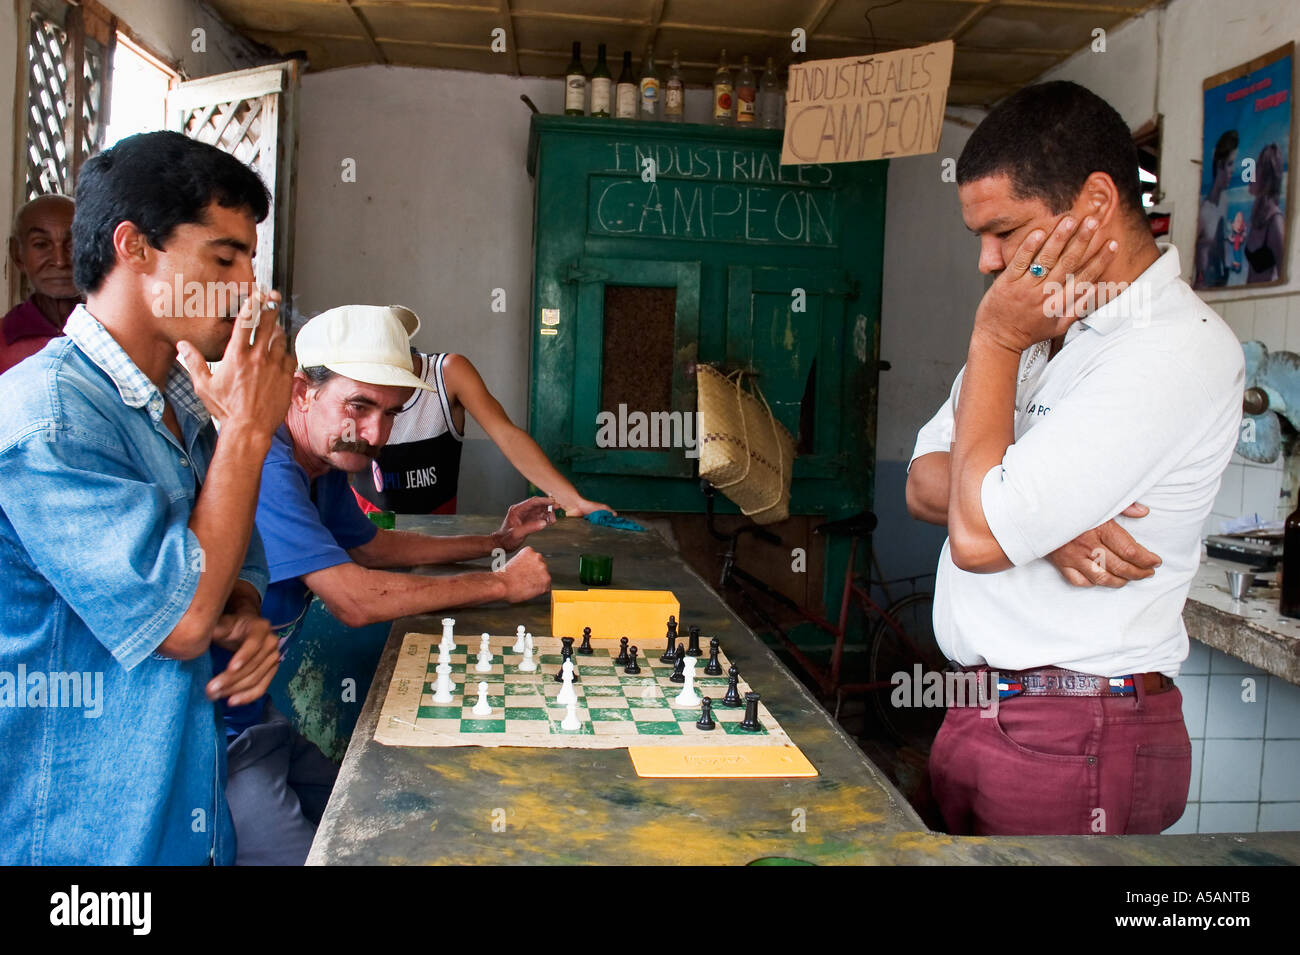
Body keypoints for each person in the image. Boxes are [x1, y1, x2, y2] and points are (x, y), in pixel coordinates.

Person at [906, 81, 1243, 836]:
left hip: (1076, 730)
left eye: (1004, 231)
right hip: (981, 711)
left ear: (1094, 202)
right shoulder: (1042, 327)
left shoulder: (1170, 346)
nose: (988, 264)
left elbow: (978, 538)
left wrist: (993, 342)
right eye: (978, 240)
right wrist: (1044, 524)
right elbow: (923, 479)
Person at [0, 131, 295, 864]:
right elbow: (184, 620)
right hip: (82, 847)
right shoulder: (49, 416)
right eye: (224, 259)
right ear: (132, 247)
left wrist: (246, 616)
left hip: (180, 821)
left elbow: (231, 569)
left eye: (250, 262)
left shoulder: (184, 405)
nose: (247, 289)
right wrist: (251, 431)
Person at [220, 303, 553, 864]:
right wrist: (500, 586)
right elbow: (353, 597)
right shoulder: (266, 464)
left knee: (375, 822)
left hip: (257, 718)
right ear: (302, 390)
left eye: (392, 413)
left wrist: (494, 543)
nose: (374, 434)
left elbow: (372, 547)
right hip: (210, 739)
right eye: (359, 406)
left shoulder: (321, 462)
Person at [350, 344, 612, 517]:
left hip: (433, 539)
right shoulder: (346, 386)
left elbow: (506, 434)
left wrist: (571, 500)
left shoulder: (447, 373)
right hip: (364, 534)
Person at [1, 194, 80, 373]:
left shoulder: (118, 336)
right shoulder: (3, 339)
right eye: (41, 244)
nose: (60, 261)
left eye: (72, 244)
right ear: (17, 254)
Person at [1194, 129, 1238, 288]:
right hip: (1202, 288)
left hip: (1219, 283)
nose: (1233, 170)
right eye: (1230, 164)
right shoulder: (1204, 212)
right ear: (1220, 165)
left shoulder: (1224, 202)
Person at [1244, 142, 1285, 284]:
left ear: (1266, 177)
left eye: (1256, 168)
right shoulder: (1257, 216)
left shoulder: (1275, 222)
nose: (1250, 174)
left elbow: (1284, 277)